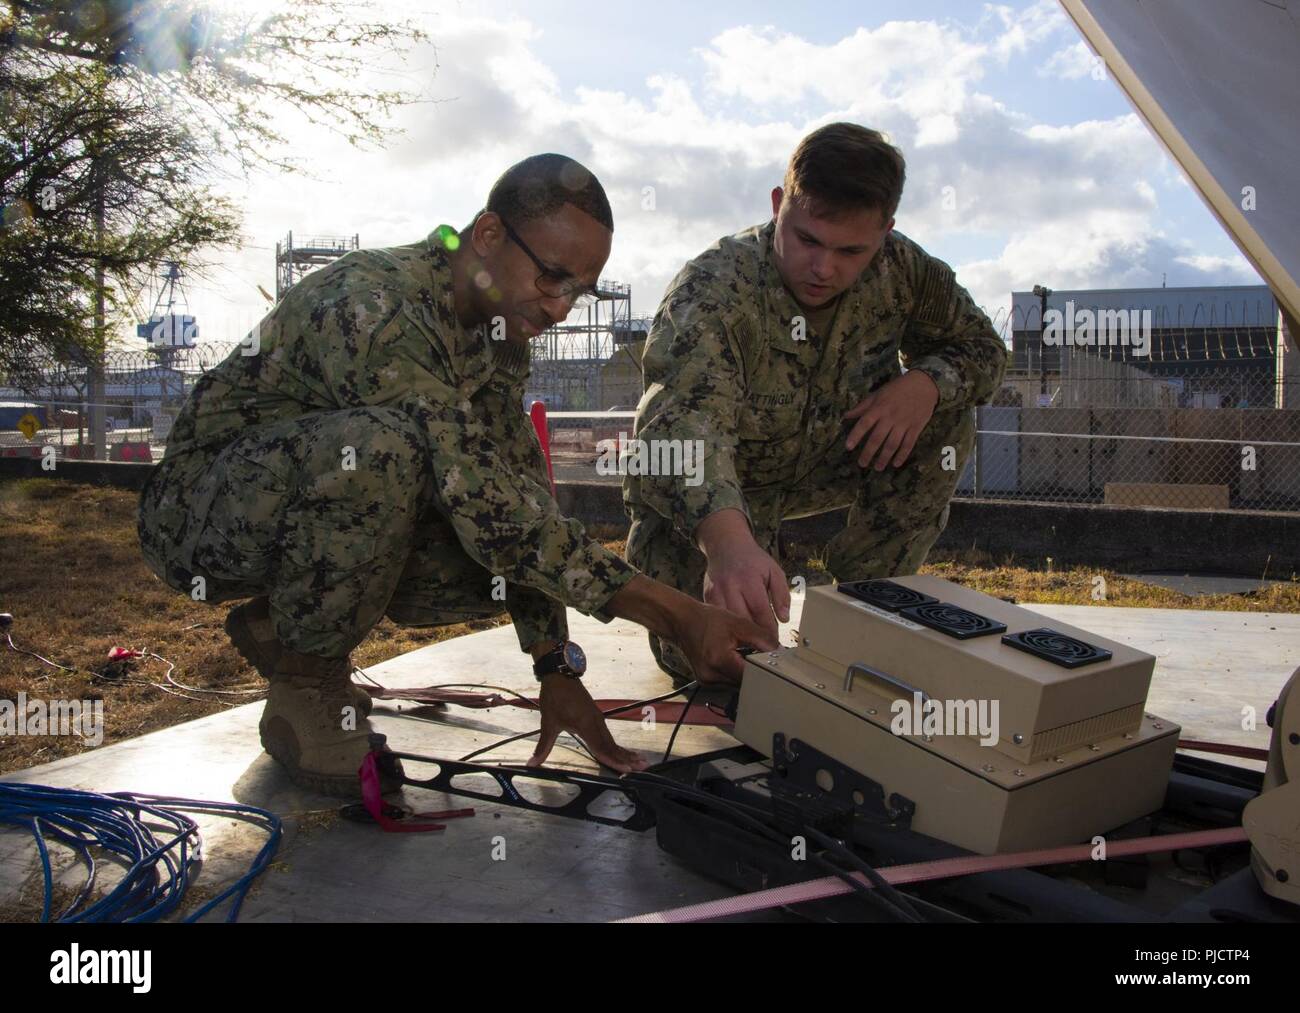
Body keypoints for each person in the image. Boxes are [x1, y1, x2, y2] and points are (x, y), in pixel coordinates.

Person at [138, 153, 775, 797]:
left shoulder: (499, 333)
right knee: (385, 450)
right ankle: (306, 681)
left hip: (300, 511)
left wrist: (555, 667)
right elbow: (487, 504)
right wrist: (677, 617)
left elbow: (519, 491)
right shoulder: (375, 305)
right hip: (198, 518)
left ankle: (284, 622)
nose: (560, 308)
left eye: (578, 292)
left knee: (487, 550)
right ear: (489, 235)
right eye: (552, 278)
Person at [624, 124, 1007, 684]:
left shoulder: (904, 271)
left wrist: (923, 384)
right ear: (779, 205)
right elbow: (679, 429)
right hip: (720, 492)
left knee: (945, 409)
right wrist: (729, 548)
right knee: (717, 663)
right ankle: (733, 571)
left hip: (831, 456)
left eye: (851, 250)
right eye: (806, 240)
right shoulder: (715, 286)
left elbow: (982, 349)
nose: (824, 268)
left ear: (885, 232)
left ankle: (870, 602)